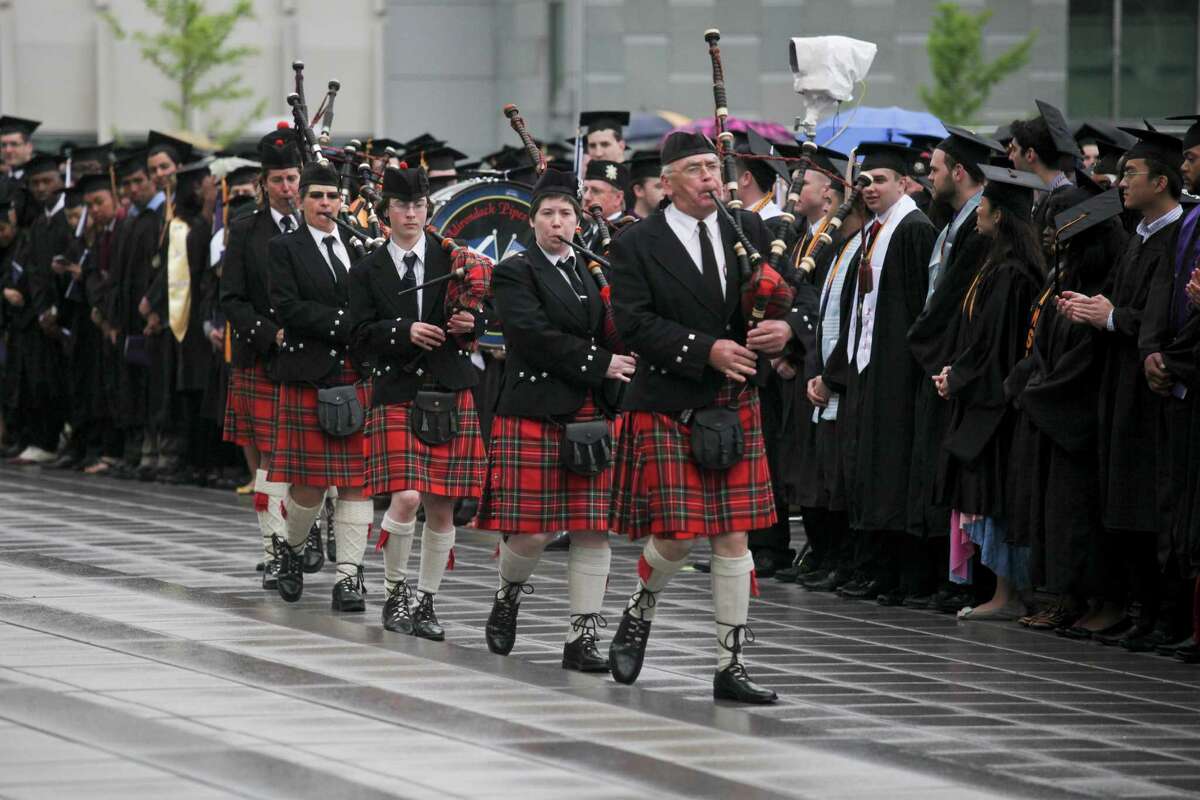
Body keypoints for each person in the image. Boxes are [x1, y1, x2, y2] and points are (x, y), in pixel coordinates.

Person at [608, 131, 779, 704]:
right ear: (669, 181)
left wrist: (787, 332)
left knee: (733, 538)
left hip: (732, 404)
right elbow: (632, 324)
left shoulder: (747, 230)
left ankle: (730, 666)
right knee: (678, 538)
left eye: (714, 166)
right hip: (669, 403)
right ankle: (641, 604)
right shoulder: (637, 244)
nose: (712, 177)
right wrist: (705, 348)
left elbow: (792, 296)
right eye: (698, 168)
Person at [476, 167, 633, 671]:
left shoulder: (591, 271)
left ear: (577, 221)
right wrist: (601, 363)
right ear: (533, 220)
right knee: (533, 532)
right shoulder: (514, 271)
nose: (558, 222)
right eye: (548, 214)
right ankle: (508, 593)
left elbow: (611, 332)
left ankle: (582, 636)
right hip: (535, 409)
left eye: (566, 213)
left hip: (587, 412)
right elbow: (532, 335)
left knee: (592, 529)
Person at [349, 165, 487, 640]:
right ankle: (394, 593)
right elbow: (357, 335)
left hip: (448, 386)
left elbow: (481, 318)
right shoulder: (368, 269)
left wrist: (472, 325)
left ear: (428, 208)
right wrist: (401, 331)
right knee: (406, 496)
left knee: (443, 506)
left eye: (419, 206)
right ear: (386, 212)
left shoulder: (454, 260)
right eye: (403, 206)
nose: (411, 213)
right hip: (397, 388)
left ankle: (426, 602)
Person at [1059, 128, 1185, 644]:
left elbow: (1166, 320)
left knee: (1153, 501)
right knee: (1123, 499)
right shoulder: (1139, 235)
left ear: (1161, 181)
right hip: (1121, 385)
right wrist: (1093, 311)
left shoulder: (1180, 238)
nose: (1121, 183)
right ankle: (1141, 611)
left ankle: (1163, 615)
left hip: (1154, 392)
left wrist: (1113, 318)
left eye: (1131, 174)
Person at [824, 142, 937, 603]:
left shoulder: (913, 230)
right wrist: (837, 371)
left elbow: (920, 308)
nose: (870, 188)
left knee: (894, 470)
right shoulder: (872, 231)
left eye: (881, 180)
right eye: (865, 181)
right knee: (867, 469)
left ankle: (900, 573)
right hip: (867, 370)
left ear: (905, 183)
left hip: (898, 373)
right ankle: (873, 565)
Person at [933, 165, 1045, 619]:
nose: (977, 211)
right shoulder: (997, 266)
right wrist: (954, 372)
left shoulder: (1013, 274)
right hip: (983, 393)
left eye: (984, 205)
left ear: (999, 216)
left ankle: (1006, 595)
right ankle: (998, 592)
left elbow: (995, 348)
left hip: (997, 404)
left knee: (996, 493)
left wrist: (958, 378)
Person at [266, 161, 373, 611]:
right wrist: (347, 324)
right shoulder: (284, 247)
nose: (325, 204)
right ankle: (290, 551)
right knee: (309, 486)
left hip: (355, 374)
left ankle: (349, 577)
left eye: (332, 197)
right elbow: (286, 307)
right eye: (316, 196)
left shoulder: (360, 245)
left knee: (356, 484)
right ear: (302, 200)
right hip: (309, 373)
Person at [904, 126, 1000, 612]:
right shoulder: (952, 225)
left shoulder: (977, 228)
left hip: (957, 367)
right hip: (942, 364)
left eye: (937, 169)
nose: (930, 177)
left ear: (959, 172)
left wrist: (936, 354)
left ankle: (966, 579)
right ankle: (951, 575)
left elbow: (956, 305)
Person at [220, 130, 320, 588]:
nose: (288, 188)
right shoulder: (243, 230)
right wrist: (269, 333)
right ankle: (274, 549)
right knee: (269, 460)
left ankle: (306, 529)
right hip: (262, 356)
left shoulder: (321, 225)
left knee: (313, 457)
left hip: (313, 359)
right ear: (263, 183)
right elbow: (232, 300)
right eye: (278, 180)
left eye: (293, 178)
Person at [0, 116, 39, 180]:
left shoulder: (39, 181)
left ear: (29, 147)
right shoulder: (2, 180)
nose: (8, 150)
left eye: (14, 144)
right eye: (3, 145)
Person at [628, 151, 663, 219]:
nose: (666, 192)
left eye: (668, 186)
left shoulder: (675, 224)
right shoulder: (623, 227)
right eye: (659, 187)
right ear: (639, 190)